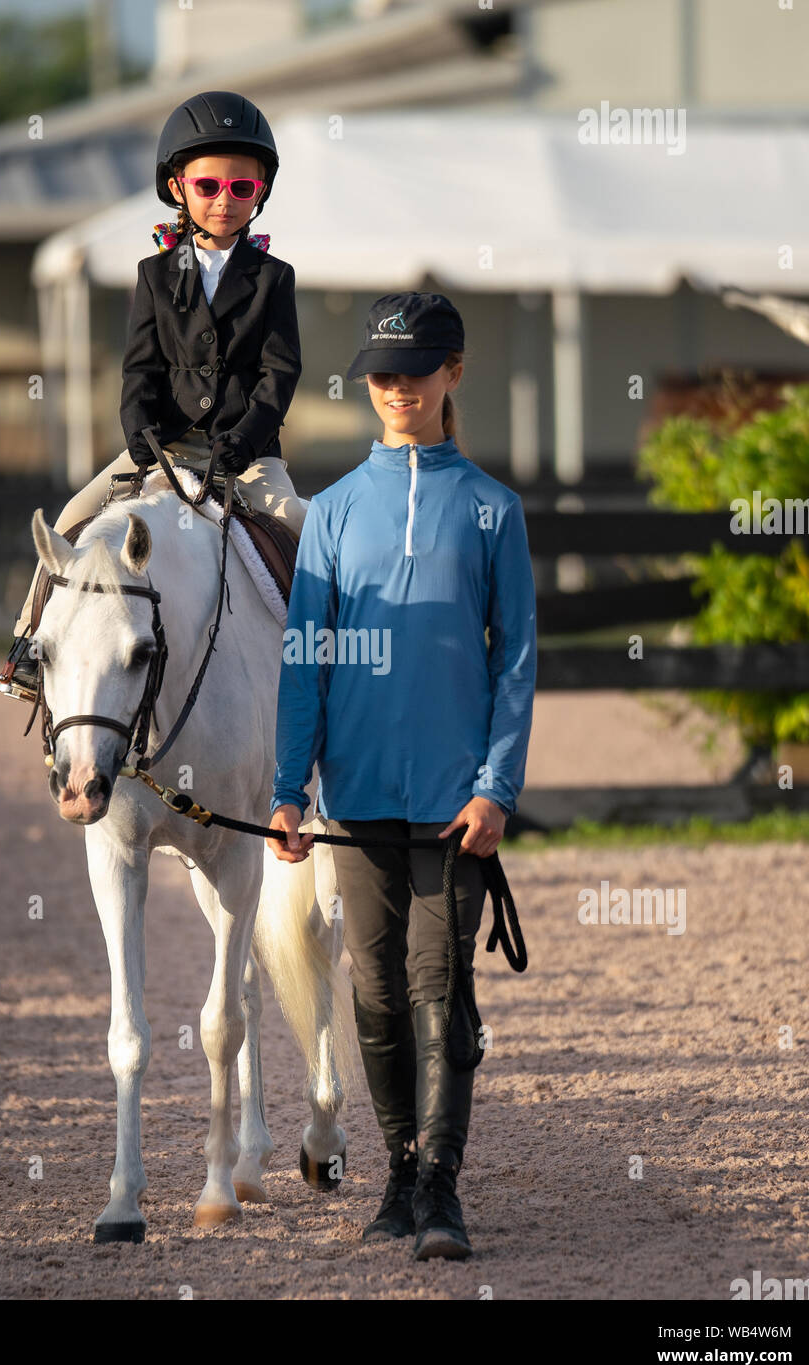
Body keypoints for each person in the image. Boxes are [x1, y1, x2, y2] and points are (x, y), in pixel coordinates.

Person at [267, 293, 537, 1260]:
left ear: (451, 374)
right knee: (374, 994)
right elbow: (305, 662)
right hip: (357, 798)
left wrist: (496, 786)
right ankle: (396, 1172)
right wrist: (287, 791)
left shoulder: (493, 510)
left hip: (455, 805)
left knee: (439, 988)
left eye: (414, 371)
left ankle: (442, 1188)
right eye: (381, 373)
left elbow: (514, 662)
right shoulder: (332, 514)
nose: (395, 389)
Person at [0, 90, 307, 698]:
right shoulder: (154, 273)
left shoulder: (274, 278)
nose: (224, 201)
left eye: (241, 189)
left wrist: (244, 443)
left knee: (298, 524)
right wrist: (137, 434)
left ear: (260, 193)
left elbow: (280, 374)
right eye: (209, 187)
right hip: (163, 447)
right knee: (72, 519)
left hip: (246, 457)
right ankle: (30, 646)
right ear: (178, 189)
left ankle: (323, 664)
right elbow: (139, 369)